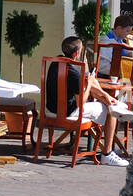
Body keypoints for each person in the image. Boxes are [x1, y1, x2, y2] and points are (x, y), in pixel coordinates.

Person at [45, 35, 127, 167]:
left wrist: (92, 84)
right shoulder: (74, 74)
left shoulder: (56, 63)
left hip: (52, 108)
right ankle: (107, 153)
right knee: (111, 111)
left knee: (93, 85)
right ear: (77, 53)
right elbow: (80, 103)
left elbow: (77, 83)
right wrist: (88, 84)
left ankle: (108, 98)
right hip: (70, 111)